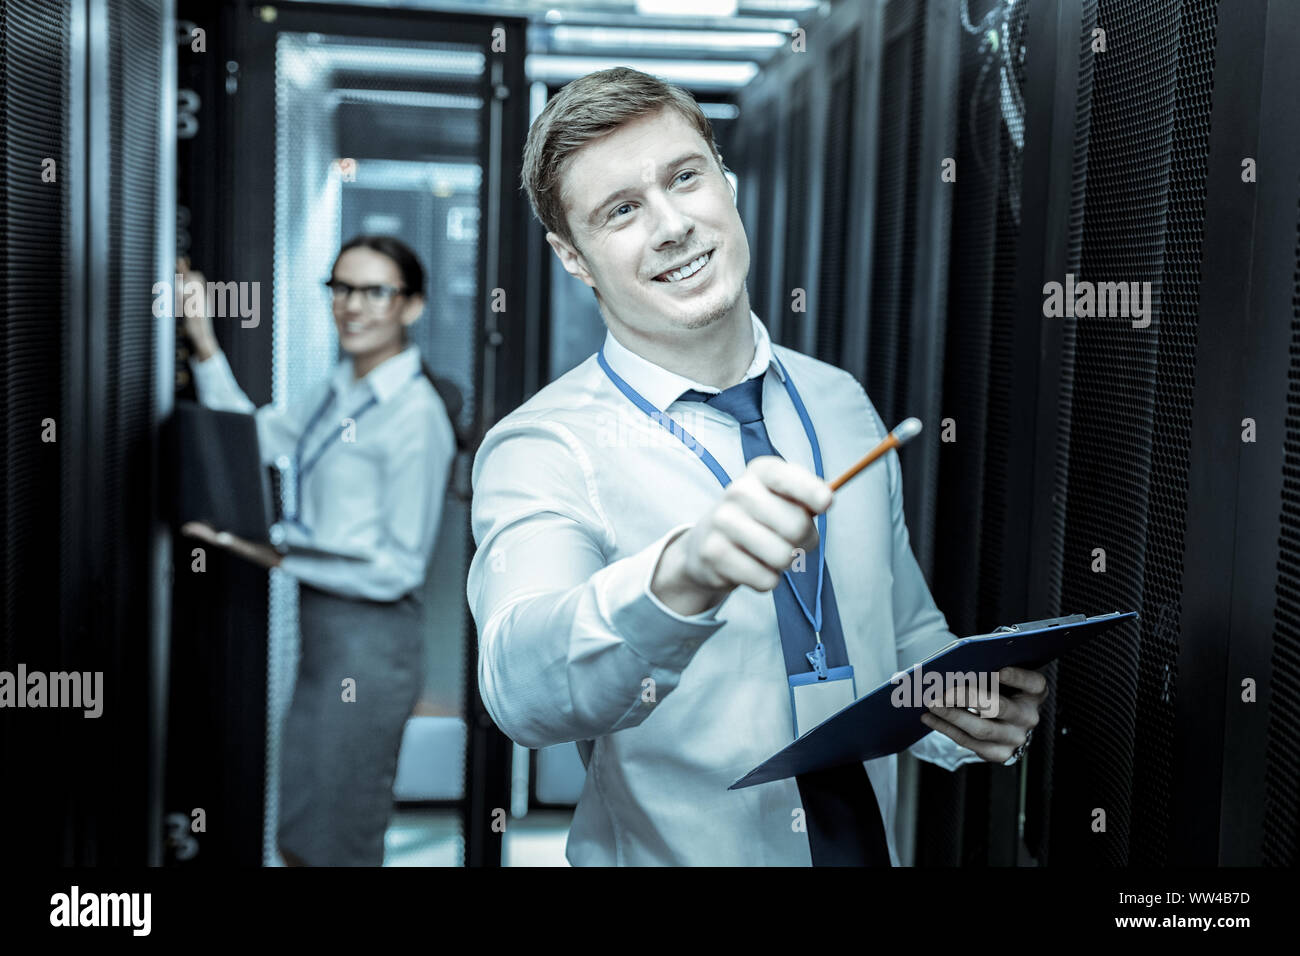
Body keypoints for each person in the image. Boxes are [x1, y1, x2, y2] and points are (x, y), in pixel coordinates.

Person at [466, 68, 1047, 866]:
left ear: (725, 181)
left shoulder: (839, 400)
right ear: (573, 257)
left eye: (684, 177)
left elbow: (900, 633)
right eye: (622, 211)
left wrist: (958, 708)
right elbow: (520, 689)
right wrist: (682, 576)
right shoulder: (543, 447)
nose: (671, 226)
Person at [179, 235, 457, 866]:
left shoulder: (415, 416)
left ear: (410, 307)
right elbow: (254, 441)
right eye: (342, 288)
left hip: (372, 641)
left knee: (339, 833)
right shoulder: (339, 390)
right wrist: (203, 345)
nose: (352, 307)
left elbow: (398, 565)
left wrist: (269, 548)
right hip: (326, 638)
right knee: (306, 824)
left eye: (375, 292)